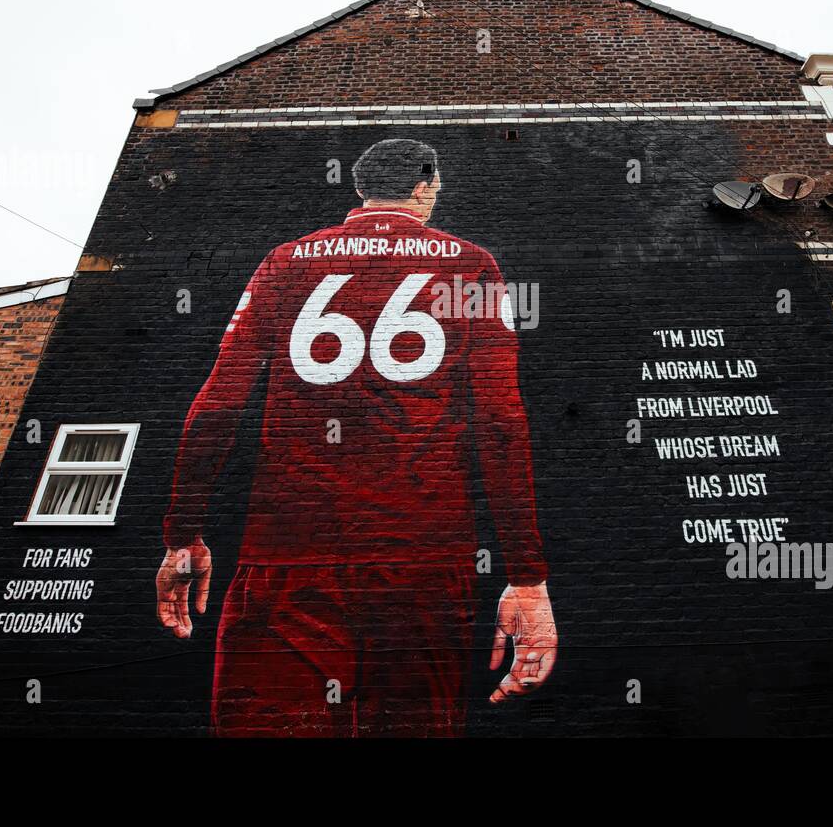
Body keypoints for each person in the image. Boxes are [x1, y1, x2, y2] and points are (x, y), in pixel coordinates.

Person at [155, 138, 557, 736]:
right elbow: (500, 422)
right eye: (436, 184)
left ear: (361, 190)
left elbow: (218, 404)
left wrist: (182, 535)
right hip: (424, 561)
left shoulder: (286, 261)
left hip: (289, 556)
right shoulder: (469, 265)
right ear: (424, 186)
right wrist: (527, 576)